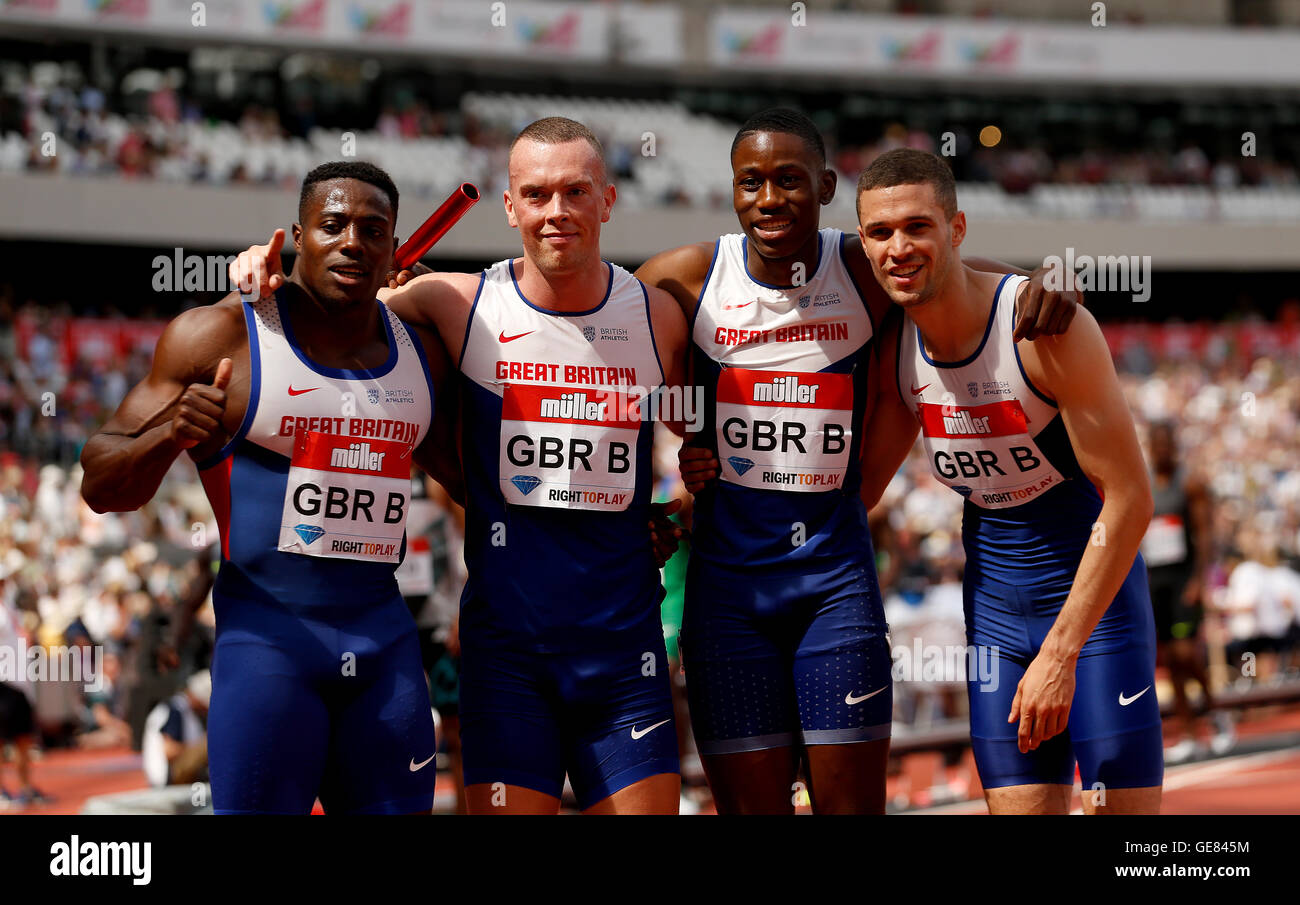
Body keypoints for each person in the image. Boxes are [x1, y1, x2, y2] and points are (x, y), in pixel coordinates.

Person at [231, 118, 690, 814]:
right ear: (510, 207)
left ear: (608, 199)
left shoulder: (659, 317)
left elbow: (727, 433)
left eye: (575, 191)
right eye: (536, 194)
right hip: (508, 655)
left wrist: (678, 510)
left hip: (624, 653)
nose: (555, 211)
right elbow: (334, 310)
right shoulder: (455, 302)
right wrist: (257, 277)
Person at [654, 108, 1078, 814]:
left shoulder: (861, 264)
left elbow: (963, 279)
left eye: (789, 180)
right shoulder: (686, 276)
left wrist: (1044, 278)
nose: (768, 198)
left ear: (824, 186)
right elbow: (598, 350)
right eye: (750, 181)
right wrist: (690, 433)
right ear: (730, 190)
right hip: (728, 598)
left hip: (834, 589)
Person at [82, 160, 462, 814]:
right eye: (333, 225)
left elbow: (485, 484)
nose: (352, 242)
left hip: (384, 650)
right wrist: (167, 433)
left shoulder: (422, 352)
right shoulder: (222, 335)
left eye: (373, 230)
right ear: (295, 235)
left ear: (396, 249)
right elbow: (99, 482)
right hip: (266, 644)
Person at [855, 148, 1163, 814]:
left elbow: (1133, 498)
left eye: (918, 227)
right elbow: (856, 492)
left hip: (1096, 616)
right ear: (863, 244)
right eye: (880, 232)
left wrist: (1062, 650)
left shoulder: (1042, 325)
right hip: (995, 620)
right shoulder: (893, 349)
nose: (899, 247)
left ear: (957, 229)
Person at [1143, 421, 1234, 762]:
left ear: (1175, 446)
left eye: (1167, 445)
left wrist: (1200, 580)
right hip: (1155, 581)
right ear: (1151, 446)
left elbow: (1206, 534)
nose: (1162, 451)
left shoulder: (1191, 483)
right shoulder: (1145, 482)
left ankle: (1215, 712)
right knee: (1169, 661)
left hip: (1184, 580)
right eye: (1156, 445)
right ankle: (1190, 733)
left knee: (1185, 654)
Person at [142, 669, 210, 788]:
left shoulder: (186, 711)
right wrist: (197, 749)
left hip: (173, 776)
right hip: (167, 777)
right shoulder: (175, 710)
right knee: (209, 742)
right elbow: (169, 750)